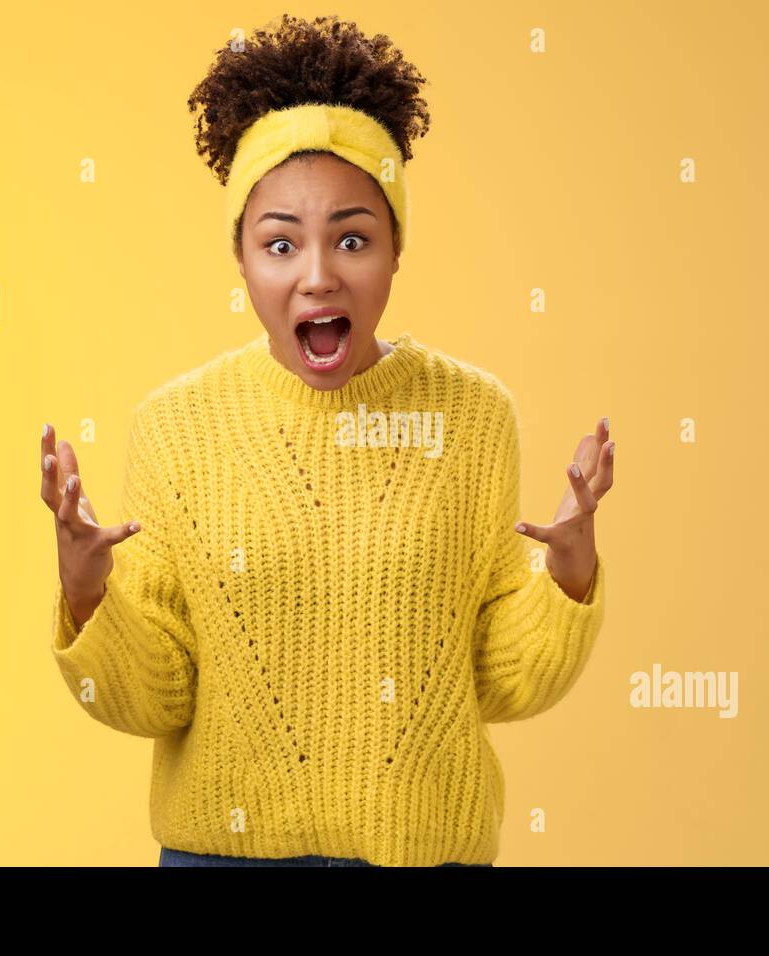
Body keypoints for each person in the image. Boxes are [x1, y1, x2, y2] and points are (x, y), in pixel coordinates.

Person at [40, 14, 615, 868]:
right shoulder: (177, 425)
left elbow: (492, 681)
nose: (318, 274)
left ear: (394, 252)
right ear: (242, 260)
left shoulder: (472, 416)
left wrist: (568, 576)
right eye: (280, 243)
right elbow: (159, 697)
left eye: (353, 238)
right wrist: (90, 595)